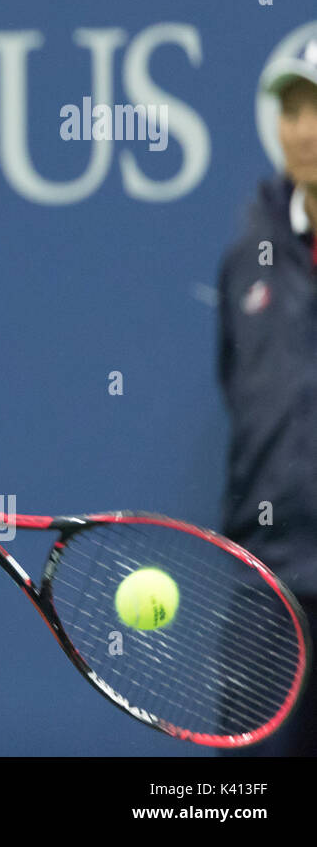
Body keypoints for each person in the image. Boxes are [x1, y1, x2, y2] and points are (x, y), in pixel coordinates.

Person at [215, 38, 317, 757]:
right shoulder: (245, 258)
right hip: (270, 577)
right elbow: (241, 392)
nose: (303, 128)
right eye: (291, 106)